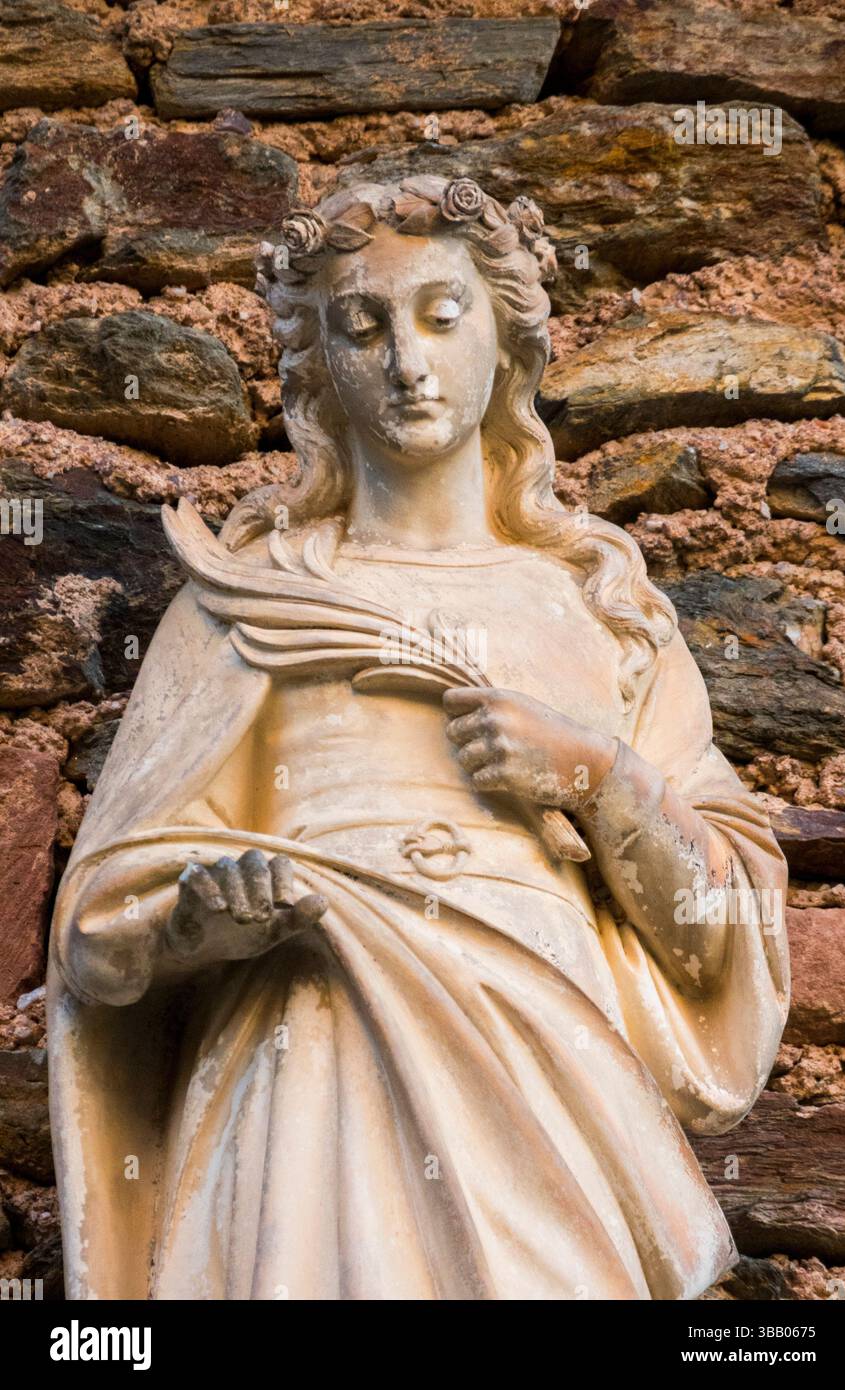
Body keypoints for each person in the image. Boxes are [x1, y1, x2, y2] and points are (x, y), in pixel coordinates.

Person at [47, 176, 789, 1300]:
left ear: (508, 341)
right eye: (362, 325)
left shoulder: (596, 608)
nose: (405, 359)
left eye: (442, 316)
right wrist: (201, 922)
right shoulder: (250, 597)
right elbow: (103, 931)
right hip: (309, 1051)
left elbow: (722, 928)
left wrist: (593, 776)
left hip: (548, 1064)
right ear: (317, 369)